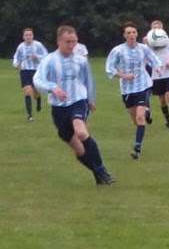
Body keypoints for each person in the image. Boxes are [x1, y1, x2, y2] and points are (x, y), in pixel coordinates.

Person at [32, 25, 115, 186]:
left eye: (74, 42)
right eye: (68, 42)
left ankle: (102, 170)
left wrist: (91, 99)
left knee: (82, 132)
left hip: (78, 101)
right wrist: (52, 88)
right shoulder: (49, 60)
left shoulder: (80, 60)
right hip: (58, 108)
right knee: (79, 150)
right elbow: (37, 79)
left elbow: (88, 80)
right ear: (59, 41)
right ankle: (98, 174)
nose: (71, 45)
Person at [106, 22, 161, 159]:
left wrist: (158, 67)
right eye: (128, 33)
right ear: (124, 35)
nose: (131, 35)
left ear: (137, 34)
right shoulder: (117, 50)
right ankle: (147, 112)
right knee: (136, 120)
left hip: (143, 85)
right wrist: (123, 75)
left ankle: (137, 148)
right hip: (127, 89)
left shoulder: (143, 48)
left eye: (133, 32)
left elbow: (154, 59)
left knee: (140, 117)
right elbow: (109, 69)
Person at [146, 19, 169, 127]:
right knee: (162, 99)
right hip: (156, 75)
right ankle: (168, 121)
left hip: (168, 73)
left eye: (158, 28)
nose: (156, 30)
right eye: (154, 28)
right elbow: (145, 57)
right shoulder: (148, 43)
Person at [11, 27, 49, 121]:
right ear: (23, 37)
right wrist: (16, 64)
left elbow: (47, 55)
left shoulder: (38, 45)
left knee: (36, 92)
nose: (28, 37)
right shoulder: (20, 46)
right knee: (27, 92)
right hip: (25, 71)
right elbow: (17, 57)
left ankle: (38, 101)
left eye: (30, 35)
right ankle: (30, 115)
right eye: (26, 35)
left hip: (36, 71)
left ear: (33, 36)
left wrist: (37, 57)